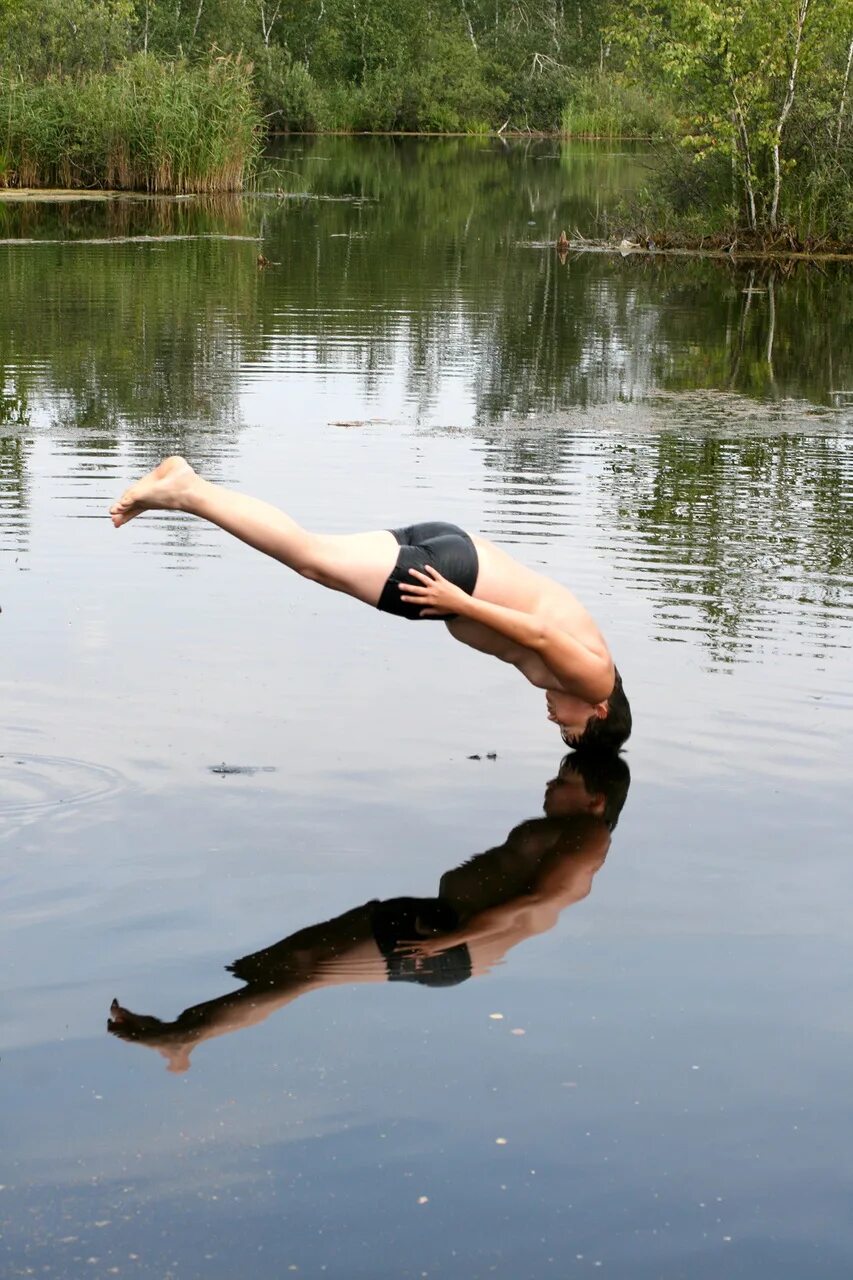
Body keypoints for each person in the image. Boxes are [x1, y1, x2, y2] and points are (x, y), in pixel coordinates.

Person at [108, 751, 630, 1073]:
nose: (549, 786)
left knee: (302, 974)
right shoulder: (572, 830)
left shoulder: (589, 835)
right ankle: (193, 1025)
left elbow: (537, 903)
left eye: (564, 783)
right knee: (271, 965)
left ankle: (182, 1038)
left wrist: (443, 943)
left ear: (596, 802)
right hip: (432, 918)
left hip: (448, 943)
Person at [110, 457, 631, 750]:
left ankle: (188, 488)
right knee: (310, 558)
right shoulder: (594, 680)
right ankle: (187, 490)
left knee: (312, 551)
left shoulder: (591, 672)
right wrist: (456, 601)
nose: (554, 720)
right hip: (451, 579)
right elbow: (538, 634)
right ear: (600, 711)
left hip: (455, 549)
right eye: (569, 726)